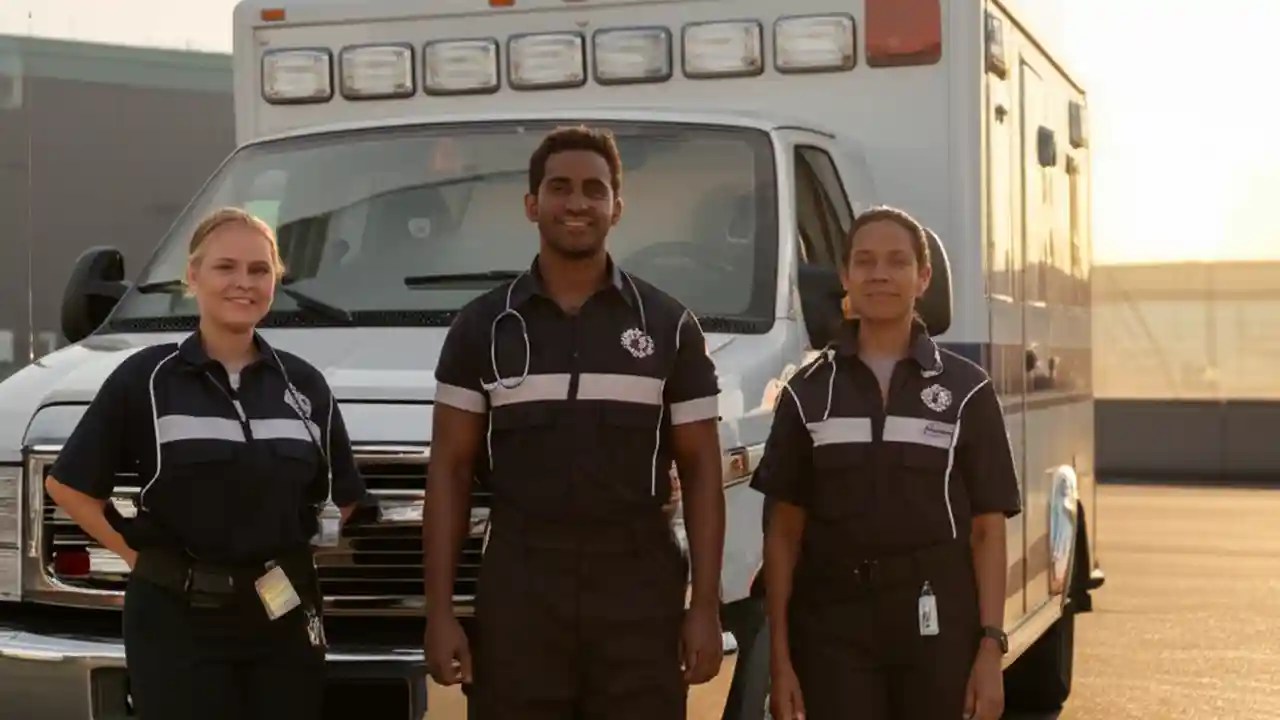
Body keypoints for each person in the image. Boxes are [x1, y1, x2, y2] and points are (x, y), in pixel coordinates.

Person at [423, 125, 726, 719]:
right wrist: (438, 612)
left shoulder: (669, 327)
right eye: (559, 188)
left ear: (617, 206)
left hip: (639, 586)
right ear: (532, 204)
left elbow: (702, 473)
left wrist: (705, 607)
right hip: (521, 584)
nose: (577, 203)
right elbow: (450, 473)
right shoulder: (481, 328)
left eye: (595, 189)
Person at [44, 207, 368, 719]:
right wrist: (139, 558)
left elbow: (343, 496)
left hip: (282, 618)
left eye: (259, 270)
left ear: (275, 281)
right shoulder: (146, 379)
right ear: (192, 277)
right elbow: (70, 487)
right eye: (226, 268)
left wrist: (284, 555)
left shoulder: (304, 384)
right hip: (177, 621)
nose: (244, 283)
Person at [753, 206, 1022, 720]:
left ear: (923, 277)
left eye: (898, 262)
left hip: (938, 620)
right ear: (845, 276)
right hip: (831, 625)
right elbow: (783, 535)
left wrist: (990, 647)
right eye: (865, 261)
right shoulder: (807, 394)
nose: (880, 273)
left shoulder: (967, 391)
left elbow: (988, 530)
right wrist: (781, 664)